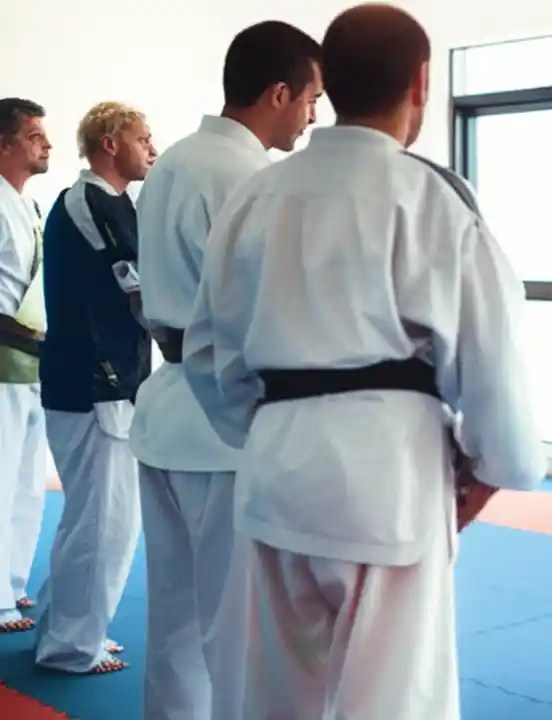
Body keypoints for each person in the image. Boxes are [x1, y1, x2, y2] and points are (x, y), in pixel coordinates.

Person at [182, 5, 547, 717]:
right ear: (421, 83)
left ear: (329, 84)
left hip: (275, 471)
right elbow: (492, 355)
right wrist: (493, 467)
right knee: (392, 701)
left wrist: (265, 430)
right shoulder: (430, 198)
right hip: (390, 478)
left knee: (270, 699)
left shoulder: (257, 195)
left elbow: (205, 351)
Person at [131, 20, 323, 717]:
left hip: (166, 416)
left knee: (176, 623)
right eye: (310, 100)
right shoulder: (251, 179)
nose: (311, 117)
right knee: (238, 632)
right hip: (224, 425)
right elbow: (270, 312)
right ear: (279, 92)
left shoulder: (173, 163)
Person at [31, 102, 155, 675]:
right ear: (109, 143)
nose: (150, 149)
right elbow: (135, 288)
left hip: (111, 379)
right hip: (93, 381)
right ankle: (72, 646)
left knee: (91, 516)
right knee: (106, 522)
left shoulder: (119, 204)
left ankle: (64, 627)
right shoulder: (87, 202)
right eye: (142, 138)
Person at [0, 97, 51, 636]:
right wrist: (24, 335)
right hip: (6, 354)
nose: (46, 145)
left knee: (27, 479)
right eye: (34, 135)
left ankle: (12, 582)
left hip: (35, 358)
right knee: (0, 474)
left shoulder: (29, 206)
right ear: (5, 144)